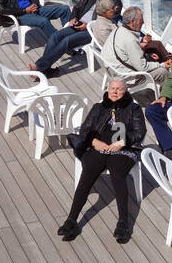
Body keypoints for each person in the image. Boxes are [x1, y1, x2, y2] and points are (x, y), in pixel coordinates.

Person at [58, 78, 146, 244]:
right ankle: (72, 220)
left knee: (117, 174)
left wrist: (123, 142)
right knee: (88, 173)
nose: (114, 92)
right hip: (99, 147)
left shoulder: (133, 108)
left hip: (123, 149)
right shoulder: (99, 107)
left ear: (125, 91)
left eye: (119, 89)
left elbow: (139, 133)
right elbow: (85, 129)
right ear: (107, 89)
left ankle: (123, 222)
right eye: (112, 88)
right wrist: (93, 141)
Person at [28, 0, 120, 79]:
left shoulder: (113, 1)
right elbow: (77, 7)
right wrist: (74, 18)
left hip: (91, 30)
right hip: (79, 24)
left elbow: (109, 21)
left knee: (66, 41)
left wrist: (87, 25)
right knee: (55, 36)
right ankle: (45, 69)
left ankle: (38, 67)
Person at [101, 7, 172, 87]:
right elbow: (143, 67)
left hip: (113, 70)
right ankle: (168, 97)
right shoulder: (130, 40)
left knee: (152, 56)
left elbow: (128, 53)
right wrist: (162, 65)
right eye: (141, 20)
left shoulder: (118, 30)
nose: (143, 22)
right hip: (126, 78)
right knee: (163, 72)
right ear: (132, 22)